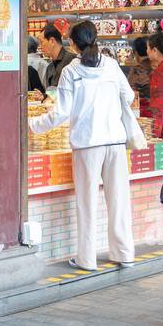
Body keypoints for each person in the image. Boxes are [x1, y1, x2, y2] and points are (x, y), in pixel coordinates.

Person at [31, 20, 144, 272]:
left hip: (87, 144)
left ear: (73, 43)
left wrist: (32, 125)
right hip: (114, 141)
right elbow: (128, 96)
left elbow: (61, 113)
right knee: (119, 200)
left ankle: (87, 258)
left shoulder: (72, 70)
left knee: (86, 202)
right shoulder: (112, 65)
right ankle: (124, 253)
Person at [128, 36, 152, 113]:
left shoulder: (137, 70)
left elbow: (130, 92)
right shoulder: (157, 66)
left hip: (141, 111)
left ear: (135, 52)